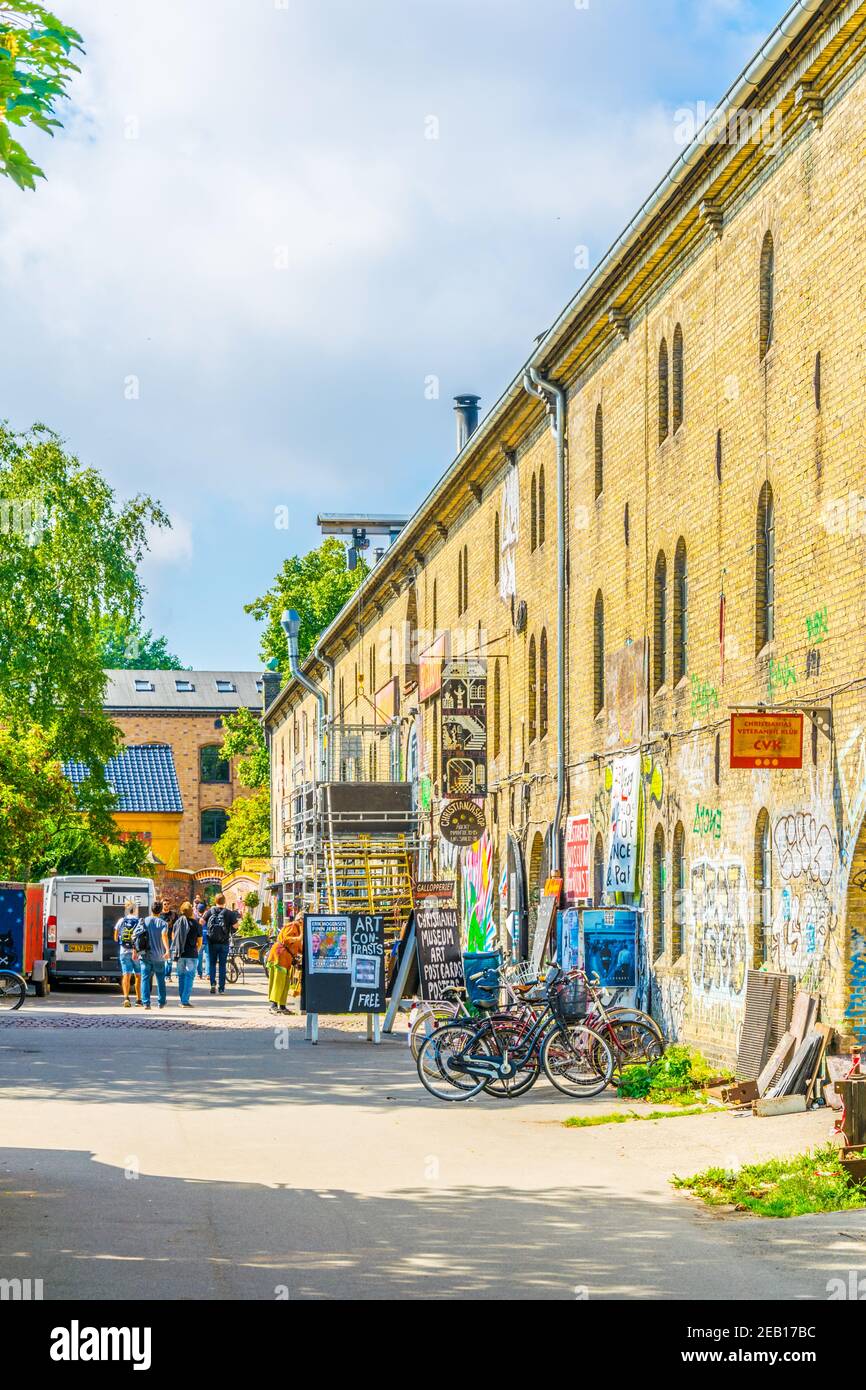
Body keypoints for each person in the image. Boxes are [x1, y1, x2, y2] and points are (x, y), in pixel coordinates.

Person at [134, 901, 170, 1010]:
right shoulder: (163, 923)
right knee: (160, 979)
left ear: (151, 909)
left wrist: (135, 951)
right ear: (160, 911)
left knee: (145, 979)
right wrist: (167, 950)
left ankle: (146, 1003)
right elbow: (164, 936)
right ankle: (161, 1002)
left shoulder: (144, 921)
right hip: (159, 956)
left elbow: (135, 936)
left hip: (145, 955)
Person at [201, 893, 238, 995]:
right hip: (224, 943)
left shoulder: (209, 912)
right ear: (224, 901)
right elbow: (236, 926)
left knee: (212, 964)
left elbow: (201, 922)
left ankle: (212, 984)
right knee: (222, 965)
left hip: (211, 942)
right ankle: (221, 988)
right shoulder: (229, 913)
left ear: (215, 901)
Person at [266, 914, 303, 1015]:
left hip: (286, 959)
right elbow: (285, 939)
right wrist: (298, 938)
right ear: (300, 920)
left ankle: (282, 1006)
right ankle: (273, 1006)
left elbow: (299, 948)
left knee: (285, 983)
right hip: (279, 957)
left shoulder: (299, 930)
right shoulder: (292, 926)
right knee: (278, 981)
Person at [169, 901, 201, 1007]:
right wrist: (197, 949)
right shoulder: (196, 924)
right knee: (189, 977)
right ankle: (185, 1000)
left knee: (181, 976)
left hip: (180, 954)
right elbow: (199, 941)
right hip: (192, 954)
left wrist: (178, 946)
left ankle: (182, 998)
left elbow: (173, 937)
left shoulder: (177, 923)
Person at [114, 900, 143, 1008]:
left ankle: (126, 998)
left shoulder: (121, 920)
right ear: (135, 910)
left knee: (126, 975)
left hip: (124, 951)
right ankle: (138, 1000)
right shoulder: (139, 921)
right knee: (138, 976)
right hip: (136, 952)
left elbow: (115, 937)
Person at [194, 897, 209, 979]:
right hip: (207, 939)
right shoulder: (208, 918)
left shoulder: (196, 919)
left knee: (199, 958)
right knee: (208, 957)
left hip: (199, 940)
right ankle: (208, 974)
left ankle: (199, 974)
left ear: (197, 910)